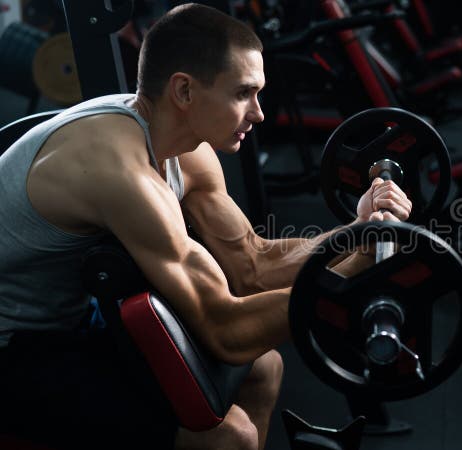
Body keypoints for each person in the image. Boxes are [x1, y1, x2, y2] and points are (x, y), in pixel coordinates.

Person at [0, 3, 411, 449]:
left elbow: (252, 263)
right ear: (184, 91)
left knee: (263, 368)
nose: (259, 114)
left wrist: (356, 233)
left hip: (68, 324)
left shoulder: (184, 146)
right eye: (243, 93)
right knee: (228, 438)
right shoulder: (120, 172)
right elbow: (224, 331)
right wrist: (349, 276)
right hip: (15, 349)